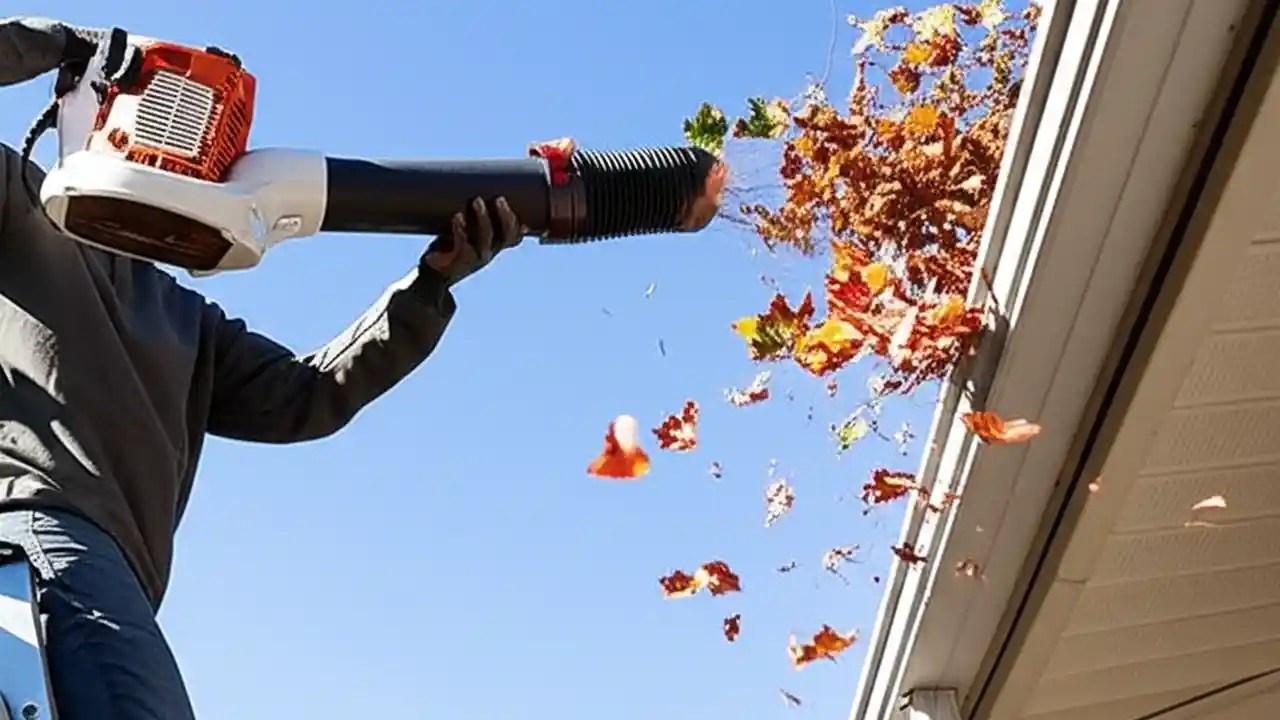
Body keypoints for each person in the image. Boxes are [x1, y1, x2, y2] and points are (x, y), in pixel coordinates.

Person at [0, 137, 522, 717]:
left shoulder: (187, 320)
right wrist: (65, 45)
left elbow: (309, 392)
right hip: (36, 534)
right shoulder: (25, 206)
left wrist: (428, 287)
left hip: (115, 575)